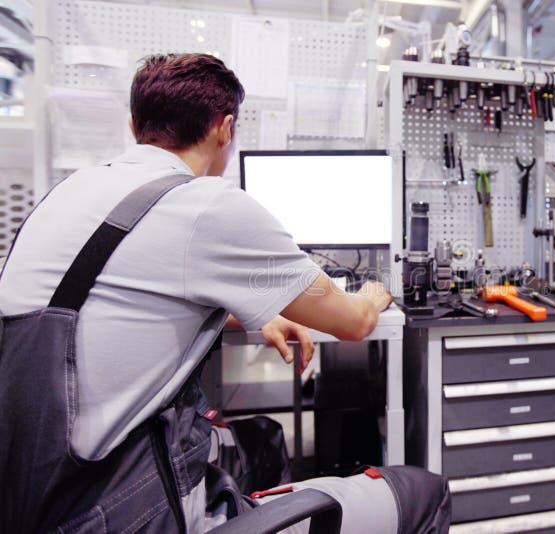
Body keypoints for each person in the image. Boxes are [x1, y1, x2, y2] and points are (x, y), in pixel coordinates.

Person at [0, 53, 449, 533]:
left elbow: (119, 305)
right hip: (130, 512)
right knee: (425, 493)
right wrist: (376, 294)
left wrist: (256, 311)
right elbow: (355, 323)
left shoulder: (69, 193)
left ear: (134, 125)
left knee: (262, 439)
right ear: (225, 128)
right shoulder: (204, 205)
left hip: (42, 499)